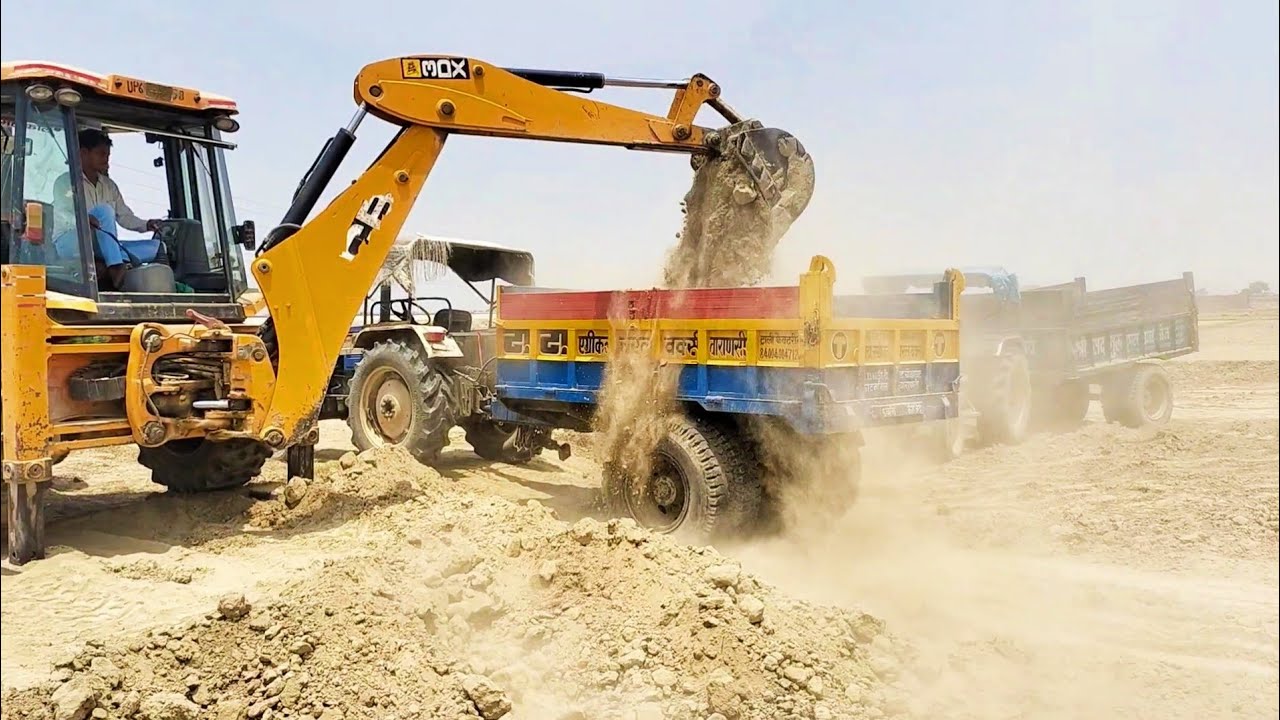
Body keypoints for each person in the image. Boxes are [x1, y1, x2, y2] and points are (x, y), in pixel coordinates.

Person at [53, 128, 163, 288]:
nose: (106, 160)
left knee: (154, 247)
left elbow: (124, 217)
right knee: (104, 211)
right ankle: (116, 267)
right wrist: (83, 220)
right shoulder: (65, 182)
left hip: (101, 244)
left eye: (108, 155)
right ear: (83, 153)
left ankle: (117, 260)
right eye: (101, 154)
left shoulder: (109, 186)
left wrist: (146, 224)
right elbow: (62, 214)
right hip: (69, 241)